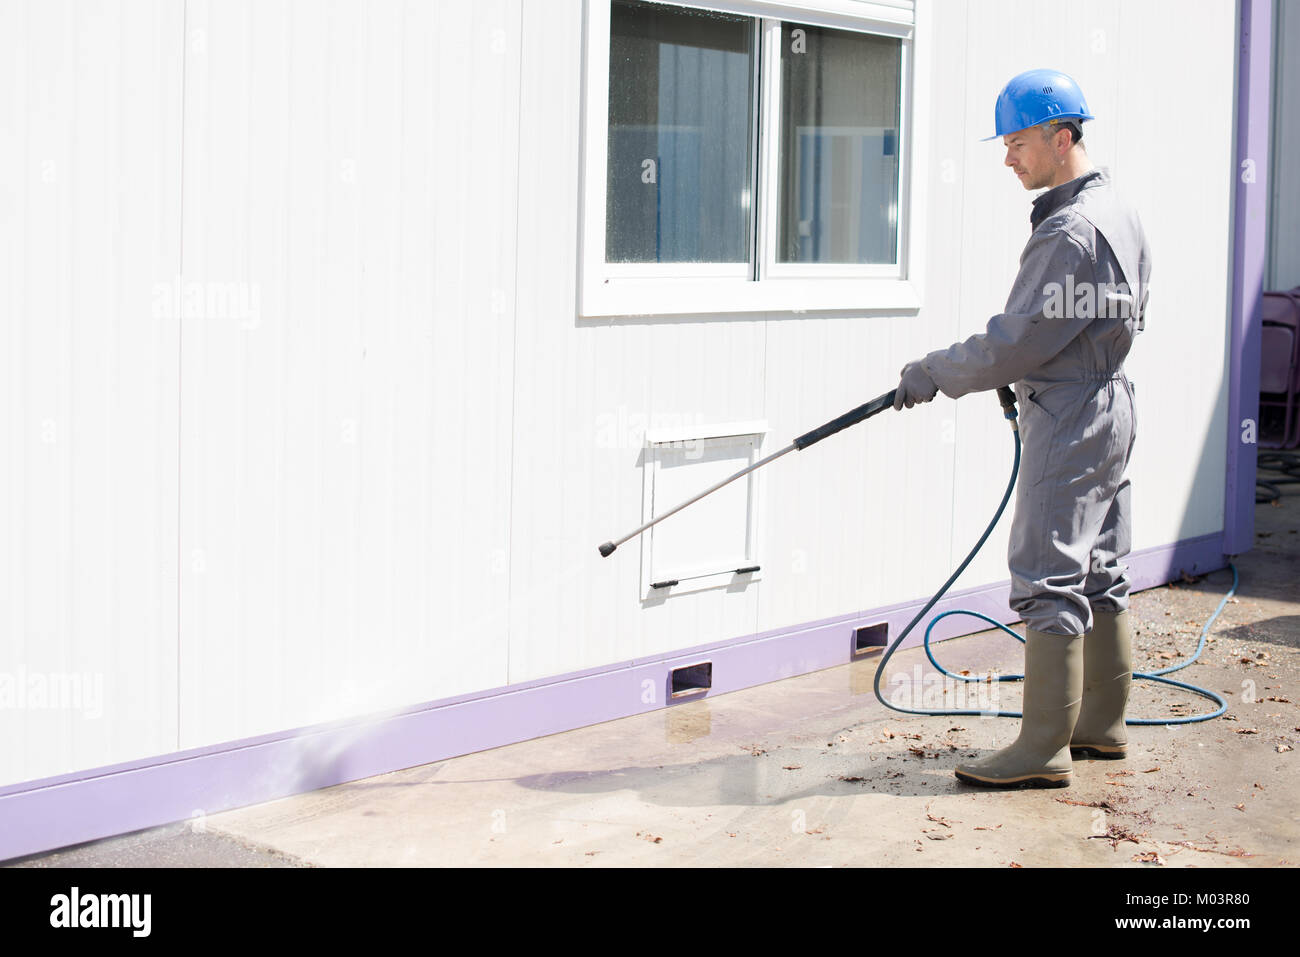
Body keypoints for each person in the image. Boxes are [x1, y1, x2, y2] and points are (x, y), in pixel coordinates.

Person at [893, 69, 1151, 788]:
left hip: (1071, 414)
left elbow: (1015, 340)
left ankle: (1040, 747)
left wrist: (931, 373)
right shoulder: (1117, 208)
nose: (1009, 158)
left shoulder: (1071, 228)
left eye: (1018, 143)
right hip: (1111, 401)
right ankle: (1101, 725)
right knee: (1099, 567)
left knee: (1047, 574)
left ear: (1060, 137)